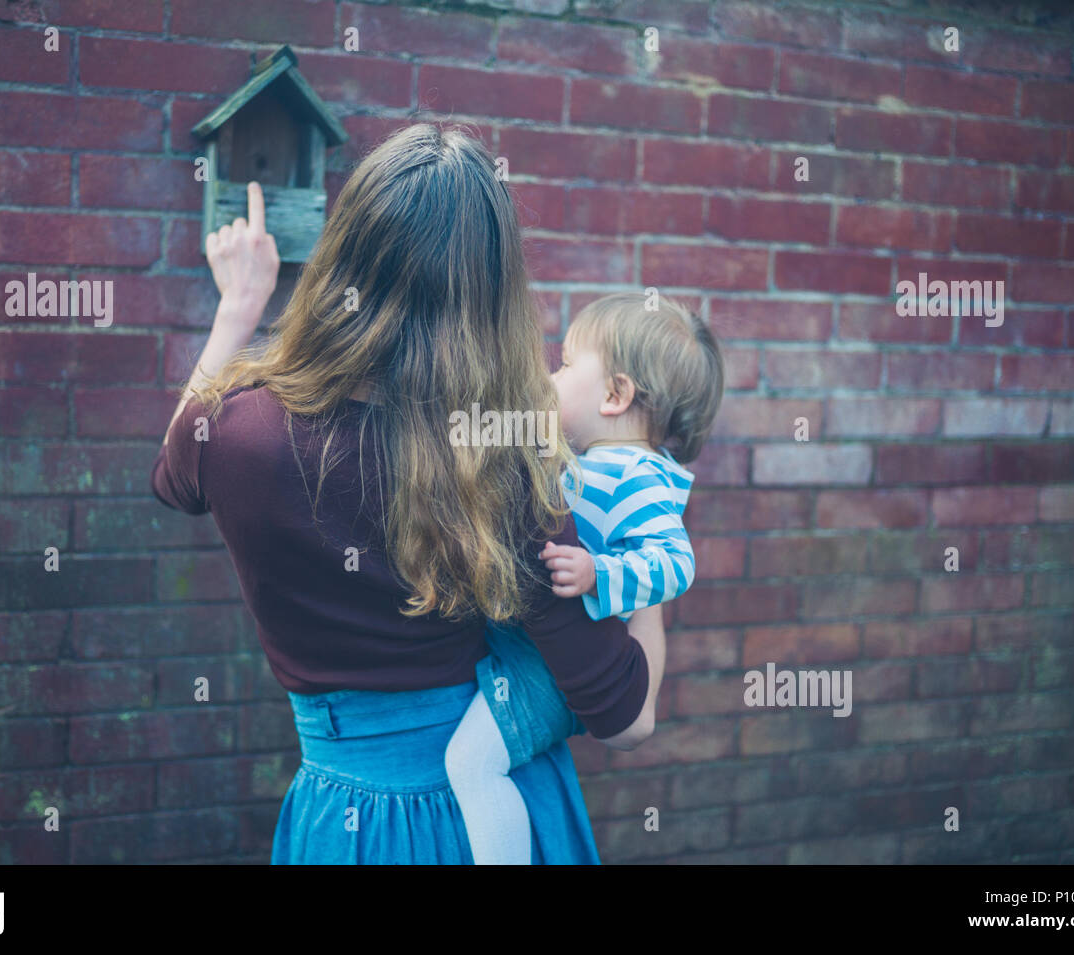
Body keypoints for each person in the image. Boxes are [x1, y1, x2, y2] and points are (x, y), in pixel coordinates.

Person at [150, 124, 665, 864]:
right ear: (489, 301)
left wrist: (241, 303)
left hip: (333, 818)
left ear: (342, 258)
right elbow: (626, 715)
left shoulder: (228, 430)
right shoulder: (501, 467)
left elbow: (171, 476)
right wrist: (649, 543)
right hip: (475, 821)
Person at [444, 293, 723, 864]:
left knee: (469, 765)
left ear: (615, 395)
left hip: (545, 673)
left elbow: (677, 564)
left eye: (567, 364)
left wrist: (601, 571)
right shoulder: (592, 462)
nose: (553, 375)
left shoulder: (636, 478)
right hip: (538, 653)